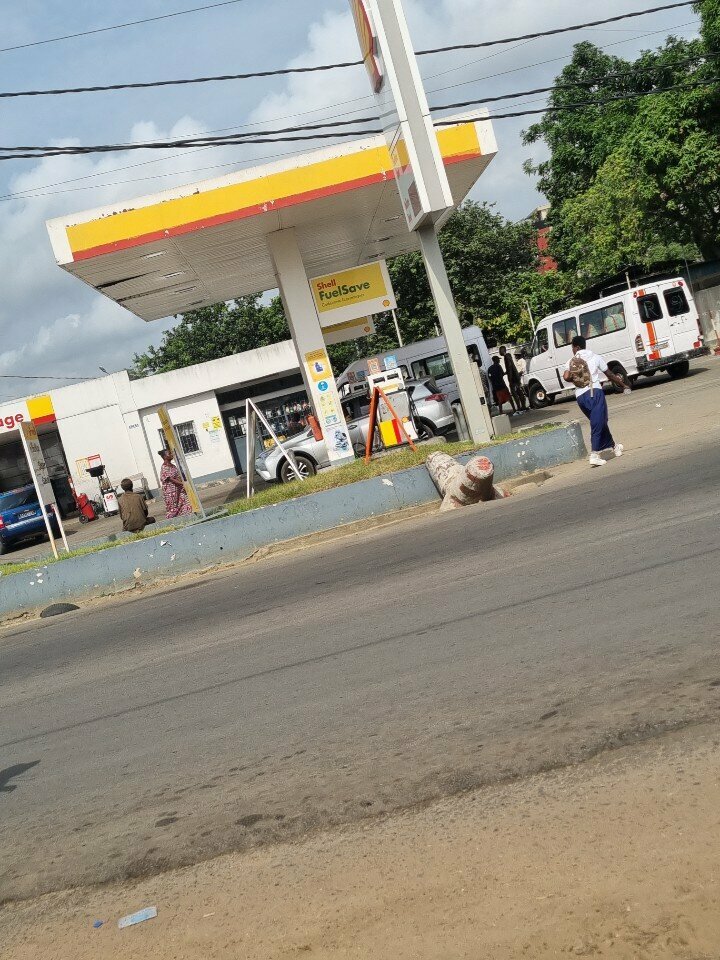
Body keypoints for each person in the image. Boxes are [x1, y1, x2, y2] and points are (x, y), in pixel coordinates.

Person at [562, 335, 627, 467]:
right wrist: (622, 383)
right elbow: (609, 374)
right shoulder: (595, 357)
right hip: (595, 393)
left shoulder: (571, 361)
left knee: (599, 421)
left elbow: (566, 377)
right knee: (598, 423)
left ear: (577, 347)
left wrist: (576, 376)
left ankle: (614, 447)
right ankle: (595, 454)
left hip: (580, 397)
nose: (572, 350)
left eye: (572, 348)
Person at [158, 449, 193, 519]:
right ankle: (171, 522)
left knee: (185, 502)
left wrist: (183, 483)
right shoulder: (164, 467)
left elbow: (178, 476)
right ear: (164, 457)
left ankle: (188, 518)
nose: (171, 455)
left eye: (171, 453)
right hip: (170, 492)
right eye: (169, 454)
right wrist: (183, 484)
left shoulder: (173, 466)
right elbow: (171, 479)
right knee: (173, 508)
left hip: (179, 489)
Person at [500, 345, 526, 412]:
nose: (499, 352)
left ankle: (519, 407)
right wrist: (506, 373)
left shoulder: (506, 356)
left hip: (513, 378)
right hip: (516, 377)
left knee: (514, 393)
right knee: (519, 392)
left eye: (500, 350)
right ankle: (523, 406)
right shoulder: (508, 356)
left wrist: (510, 378)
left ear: (502, 350)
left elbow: (510, 367)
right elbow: (509, 368)